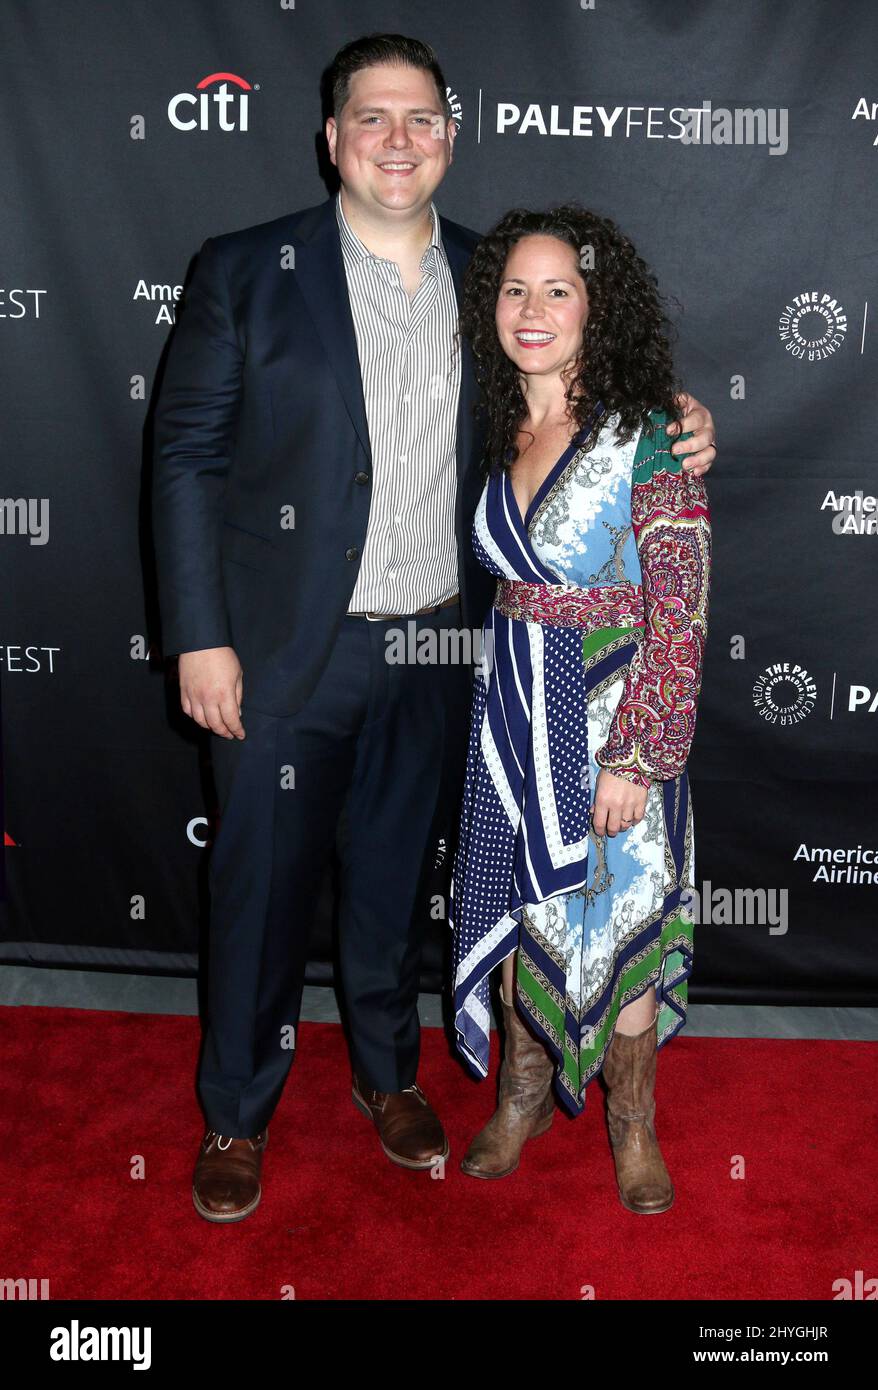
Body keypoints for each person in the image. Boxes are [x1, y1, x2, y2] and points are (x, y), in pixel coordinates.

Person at [151, 33, 717, 1224]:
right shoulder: (245, 270)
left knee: (394, 887)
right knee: (255, 891)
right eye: (372, 117)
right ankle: (236, 1113)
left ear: (449, 137)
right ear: (332, 138)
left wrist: (674, 407)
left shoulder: (487, 280)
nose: (396, 139)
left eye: (420, 118)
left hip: (445, 652)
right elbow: (187, 456)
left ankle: (387, 1077)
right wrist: (198, 636)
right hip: (277, 654)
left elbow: (579, 389)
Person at [450, 204, 712, 1213]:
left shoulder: (649, 434)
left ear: (596, 308)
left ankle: (631, 1123)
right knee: (520, 924)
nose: (532, 306)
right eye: (514, 287)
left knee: (620, 926)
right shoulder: (490, 423)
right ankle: (517, 1099)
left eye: (557, 288)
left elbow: (679, 606)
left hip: (610, 730)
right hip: (511, 721)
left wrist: (637, 757)